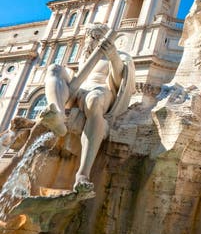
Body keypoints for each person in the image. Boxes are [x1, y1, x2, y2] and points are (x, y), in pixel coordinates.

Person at [37, 25, 134, 191]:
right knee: (54, 68)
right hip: (78, 90)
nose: (92, 40)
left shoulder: (119, 56)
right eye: (91, 37)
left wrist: (113, 56)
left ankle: (83, 174)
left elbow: (120, 81)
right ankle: (58, 115)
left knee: (94, 100)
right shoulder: (84, 58)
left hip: (101, 91)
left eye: (97, 37)